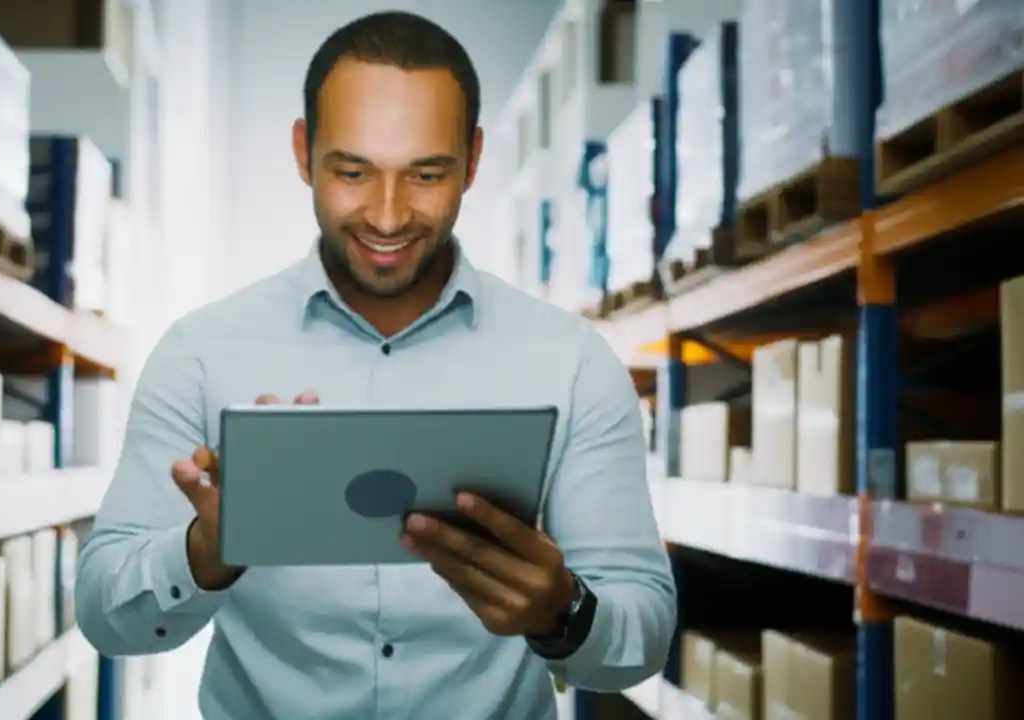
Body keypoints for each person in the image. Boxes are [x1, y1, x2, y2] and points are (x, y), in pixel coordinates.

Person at [76, 10, 676, 719]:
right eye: (352, 171)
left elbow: (644, 632)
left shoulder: (571, 362)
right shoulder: (201, 354)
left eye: (426, 173)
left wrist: (563, 613)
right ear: (303, 151)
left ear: (473, 160)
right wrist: (205, 552)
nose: (388, 217)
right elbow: (104, 613)